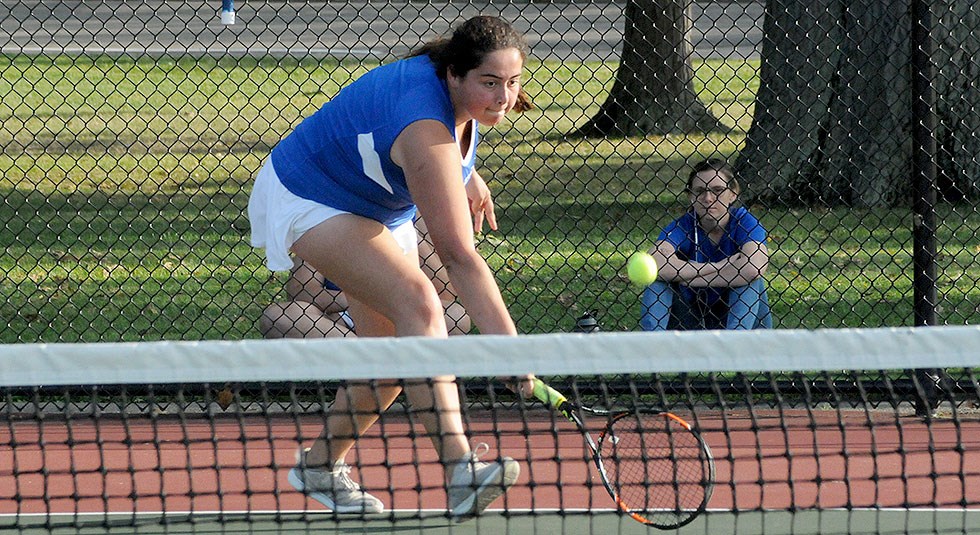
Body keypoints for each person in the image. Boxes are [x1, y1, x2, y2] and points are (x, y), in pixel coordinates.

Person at [247, 15, 534, 519]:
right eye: (489, 83)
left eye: (512, 83)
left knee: (393, 356)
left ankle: (318, 467)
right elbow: (459, 256)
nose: (503, 97)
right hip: (310, 192)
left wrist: (467, 174)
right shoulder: (423, 125)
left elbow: (439, 151)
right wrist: (509, 351)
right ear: (453, 75)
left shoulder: (456, 102)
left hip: (374, 203)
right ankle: (462, 469)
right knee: (420, 307)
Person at [260, 218, 472, 338]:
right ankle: (364, 357)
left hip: (404, 315)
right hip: (339, 321)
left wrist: (405, 228)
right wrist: (362, 298)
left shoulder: (418, 217)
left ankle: (375, 361)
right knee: (280, 315)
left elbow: (445, 291)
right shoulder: (330, 217)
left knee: (456, 316)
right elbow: (303, 292)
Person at [640, 159, 772, 331]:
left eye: (717, 190)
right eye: (700, 191)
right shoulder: (684, 225)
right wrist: (718, 266)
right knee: (656, 282)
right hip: (690, 315)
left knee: (750, 281)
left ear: (733, 194)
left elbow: (753, 268)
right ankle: (653, 345)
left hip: (734, 313)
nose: (708, 198)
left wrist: (694, 279)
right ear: (691, 197)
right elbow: (655, 263)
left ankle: (733, 346)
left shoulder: (745, 222)